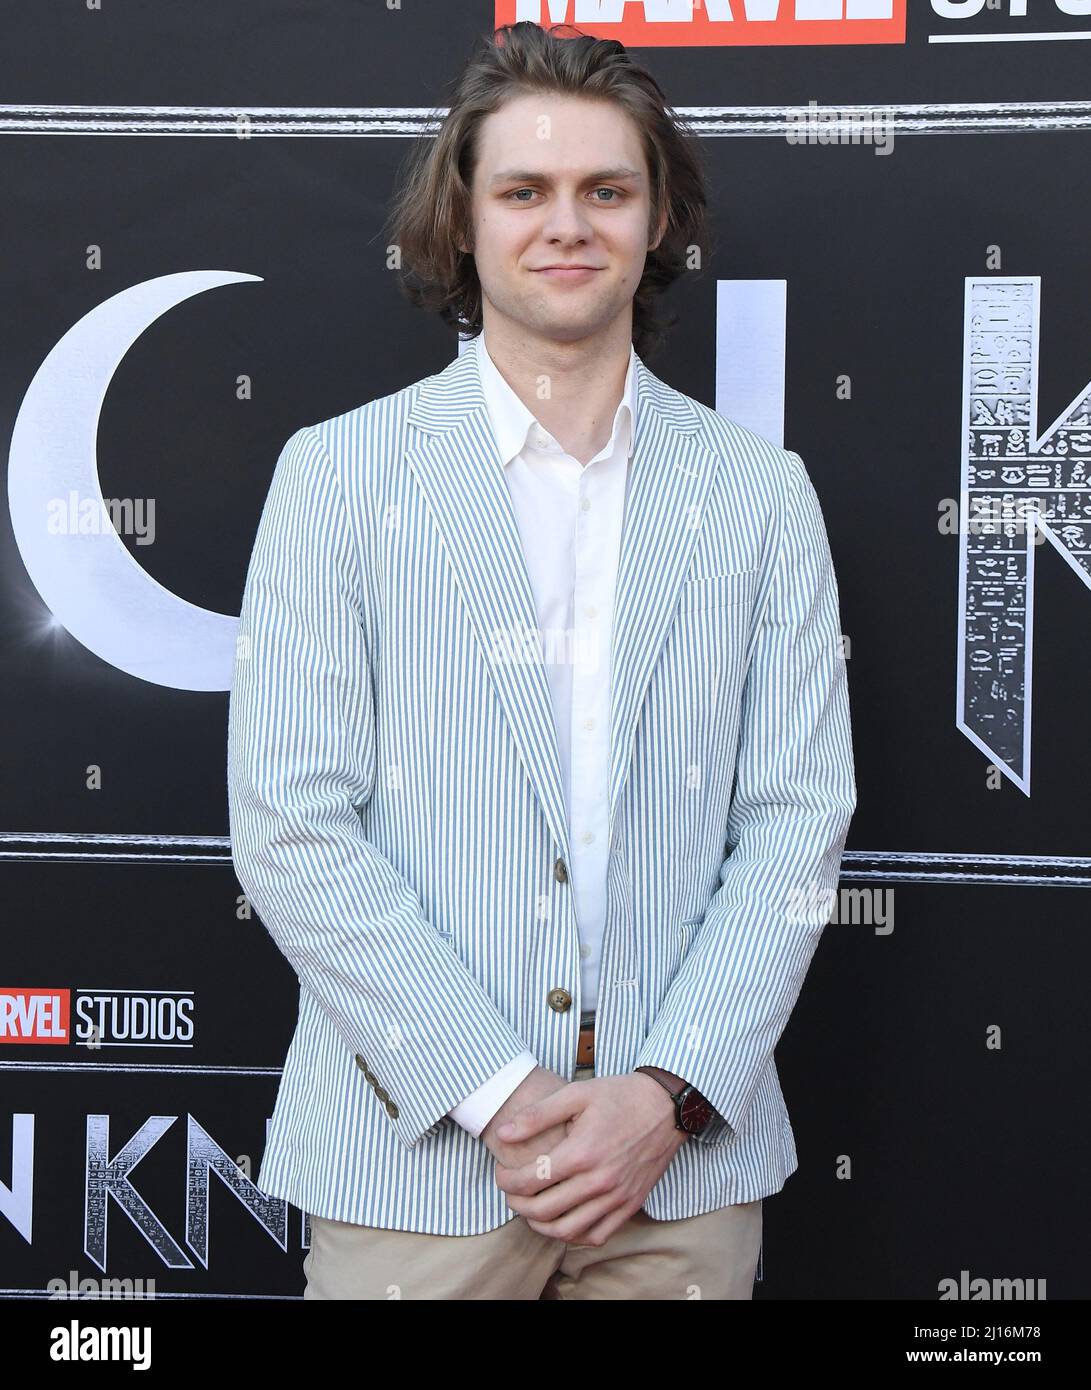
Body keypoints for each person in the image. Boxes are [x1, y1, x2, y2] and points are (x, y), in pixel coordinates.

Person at [226, 20, 856, 1301]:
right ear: (461, 220)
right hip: (414, 1167)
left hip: (679, 1177)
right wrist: (499, 1092)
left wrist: (667, 1094)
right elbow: (290, 822)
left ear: (655, 218)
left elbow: (797, 818)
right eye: (524, 191)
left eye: (603, 190)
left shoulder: (759, 495)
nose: (565, 224)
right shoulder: (337, 477)